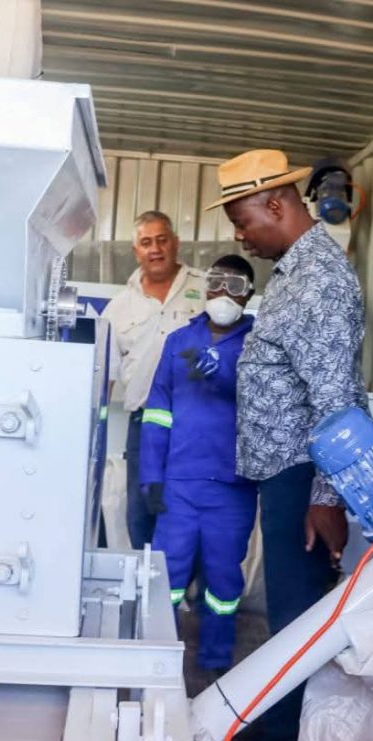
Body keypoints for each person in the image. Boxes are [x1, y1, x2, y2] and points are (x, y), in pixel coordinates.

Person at [204, 148, 366, 741]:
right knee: (287, 622)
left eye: (243, 221)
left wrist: (326, 497)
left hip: (304, 477)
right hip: (288, 474)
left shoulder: (320, 277)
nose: (240, 237)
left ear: (277, 204)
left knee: (298, 626)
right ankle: (279, 739)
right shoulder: (296, 272)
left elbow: (336, 400)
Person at [139, 254, 258, 674]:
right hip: (179, 484)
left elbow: (262, 403)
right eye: (217, 282)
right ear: (205, 288)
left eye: (236, 286)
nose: (224, 293)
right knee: (166, 579)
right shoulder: (179, 341)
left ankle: (215, 662)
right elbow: (158, 411)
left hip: (233, 486)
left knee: (223, 581)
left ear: (250, 295)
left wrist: (223, 373)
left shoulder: (260, 344)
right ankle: (160, 657)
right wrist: (151, 475)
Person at [101, 211, 205, 549]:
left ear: (175, 243)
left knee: (194, 509)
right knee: (142, 510)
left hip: (198, 422)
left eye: (162, 240)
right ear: (136, 252)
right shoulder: (119, 307)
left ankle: (184, 597)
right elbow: (107, 376)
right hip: (145, 425)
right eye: (146, 243)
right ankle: (147, 593)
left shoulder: (206, 289)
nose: (155, 249)